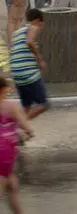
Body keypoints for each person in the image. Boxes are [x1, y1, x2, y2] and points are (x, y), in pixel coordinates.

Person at [0, 75, 33, 214]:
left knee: (9, 183)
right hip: (6, 150)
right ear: (4, 90)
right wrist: (28, 134)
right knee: (10, 184)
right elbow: (28, 128)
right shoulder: (12, 105)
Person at [10, 9, 47, 120]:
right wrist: (39, 59)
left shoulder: (17, 32)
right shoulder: (32, 27)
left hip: (16, 73)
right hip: (28, 73)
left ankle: (15, 128)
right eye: (41, 24)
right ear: (36, 21)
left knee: (26, 106)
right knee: (43, 104)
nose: (40, 27)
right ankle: (20, 126)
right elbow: (29, 41)